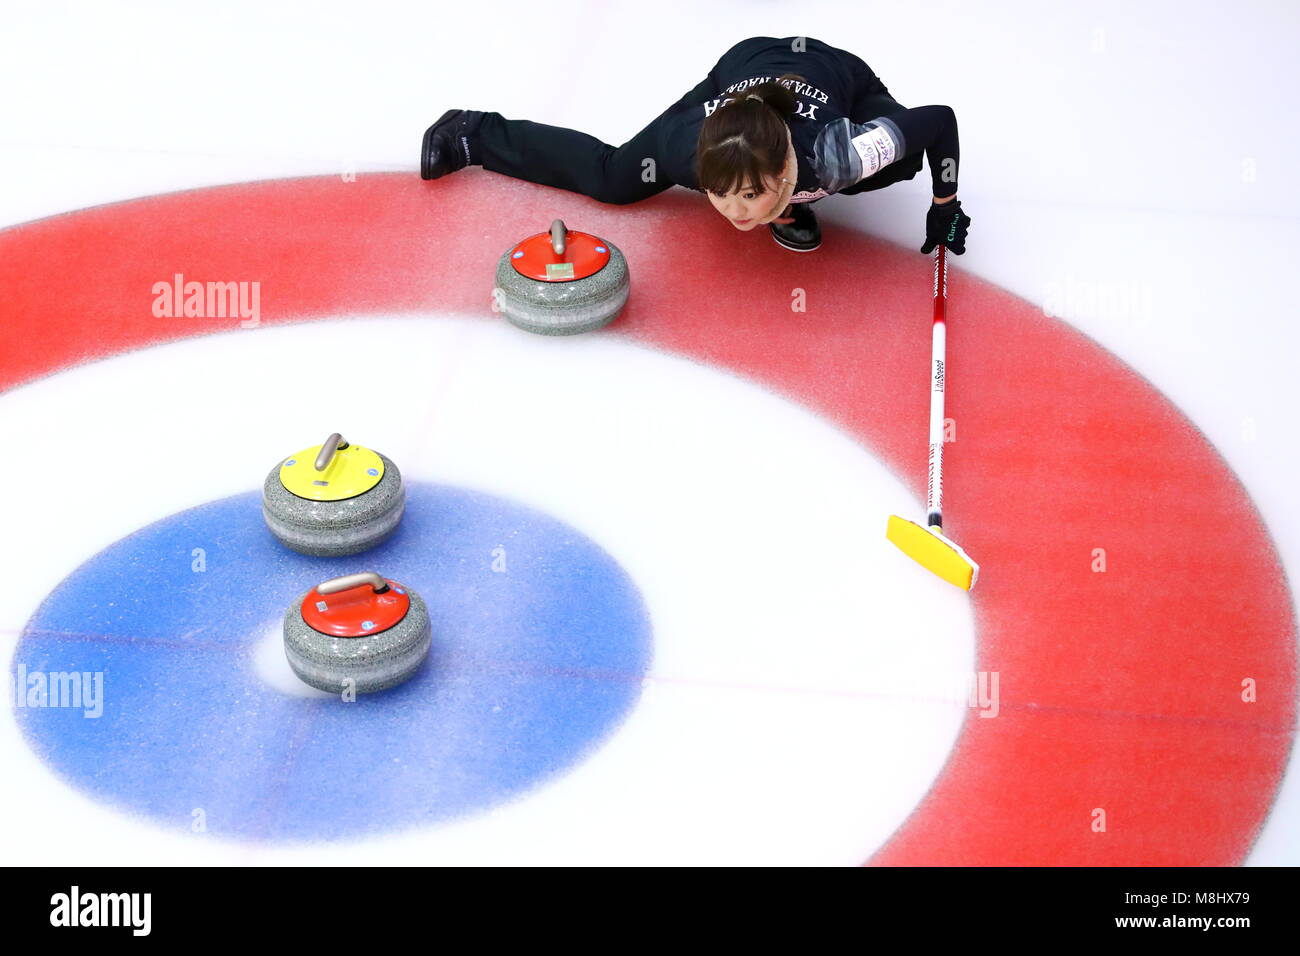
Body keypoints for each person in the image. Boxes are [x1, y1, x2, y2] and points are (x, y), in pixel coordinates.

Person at [420, 35, 970, 255]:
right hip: (742, 65)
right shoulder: (686, 149)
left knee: (900, 166)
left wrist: (944, 202)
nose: (732, 212)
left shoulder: (842, 155)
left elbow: (940, 120)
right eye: (720, 194)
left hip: (841, 79)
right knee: (614, 179)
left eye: (750, 196)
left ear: (784, 174)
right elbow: (632, 169)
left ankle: (790, 210)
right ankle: (471, 132)